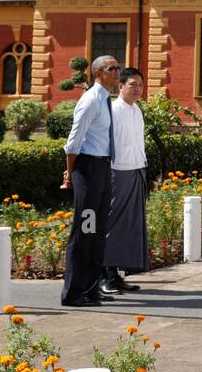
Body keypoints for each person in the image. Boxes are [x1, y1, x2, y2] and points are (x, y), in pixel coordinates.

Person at [60, 56, 120, 306]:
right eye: (111, 69)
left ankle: (91, 287)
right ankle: (73, 292)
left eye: (118, 68)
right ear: (97, 73)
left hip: (102, 168)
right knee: (84, 230)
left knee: (97, 231)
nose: (117, 73)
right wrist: (70, 173)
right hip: (87, 169)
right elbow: (73, 142)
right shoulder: (90, 100)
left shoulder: (105, 99)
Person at [102, 67, 148, 293]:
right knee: (112, 224)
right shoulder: (113, 110)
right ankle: (105, 277)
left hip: (136, 169)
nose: (137, 89)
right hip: (117, 171)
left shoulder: (136, 110)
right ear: (120, 86)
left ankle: (116, 275)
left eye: (140, 84)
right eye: (132, 84)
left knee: (128, 226)